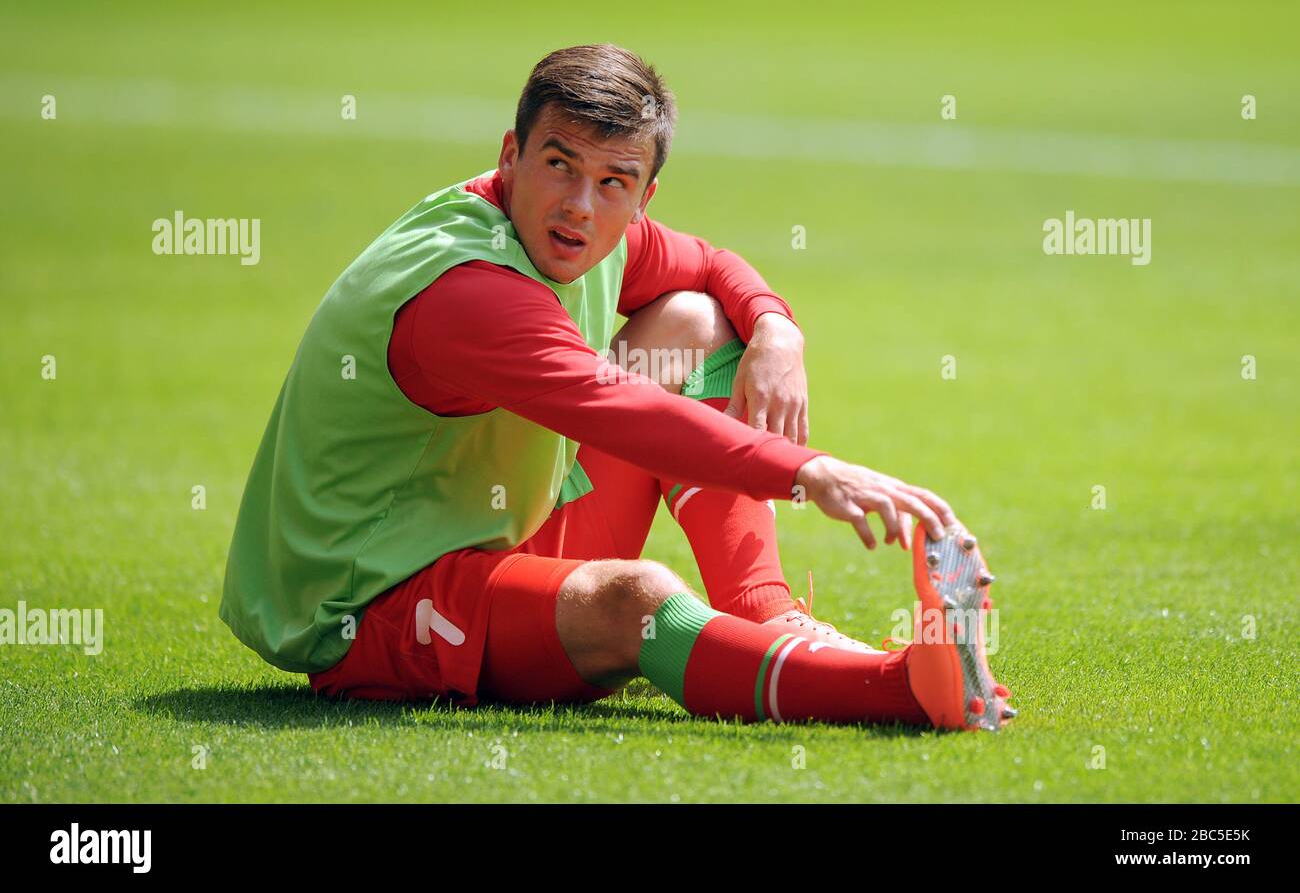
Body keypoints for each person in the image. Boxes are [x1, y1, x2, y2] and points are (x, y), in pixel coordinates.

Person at [220, 43, 1012, 731]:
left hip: (494, 533)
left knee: (695, 322)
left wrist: (777, 328)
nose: (578, 206)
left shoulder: (602, 236)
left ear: (642, 198)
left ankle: (766, 613)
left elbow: (709, 267)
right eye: (559, 163)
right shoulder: (466, 289)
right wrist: (806, 469)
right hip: (373, 604)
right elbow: (620, 410)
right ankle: (904, 690)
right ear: (510, 155)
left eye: (612, 182)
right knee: (635, 601)